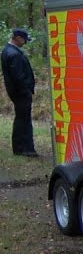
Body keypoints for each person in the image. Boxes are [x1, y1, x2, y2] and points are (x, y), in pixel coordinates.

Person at [2, 28, 38, 157]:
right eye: (23, 40)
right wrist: (27, 89)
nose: (24, 43)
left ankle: (21, 147)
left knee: (21, 119)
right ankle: (24, 148)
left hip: (16, 91)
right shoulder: (14, 54)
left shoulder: (8, 51)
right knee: (23, 120)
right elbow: (18, 77)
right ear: (17, 38)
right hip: (21, 92)